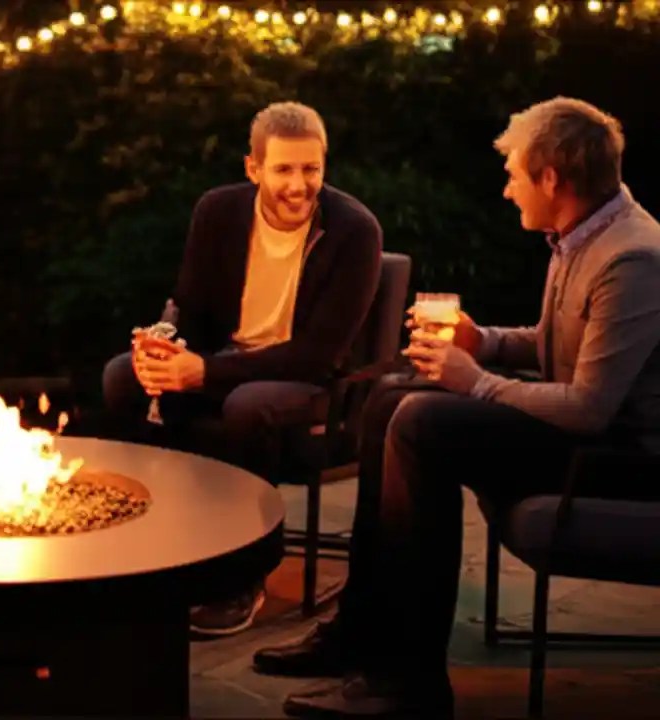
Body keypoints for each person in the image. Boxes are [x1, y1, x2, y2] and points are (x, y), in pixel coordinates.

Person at [258, 97, 660, 717]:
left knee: (424, 423)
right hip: (586, 435)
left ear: (552, 179)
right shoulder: (583, 233)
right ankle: (359, 632)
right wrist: (484, 341)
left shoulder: (631, 257)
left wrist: (476, 382)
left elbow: (589, 407)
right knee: (389, 398)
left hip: (621, 458)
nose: (506, 190)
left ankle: (409, 683)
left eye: (514, 175)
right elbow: (559, 343)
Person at [101, 102, 383, 636]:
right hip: (225, 364)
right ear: (253, 168)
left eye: (311, 169)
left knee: (247, 405)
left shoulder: (355, 231)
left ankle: (242, 577)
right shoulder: (218, 212)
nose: (299, 185)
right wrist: (163, 346)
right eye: (283, 169)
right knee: (123, 377)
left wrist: (203, 374)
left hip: (308, 384)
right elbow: (189, 309)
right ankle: (156, 545)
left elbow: (320, 354)